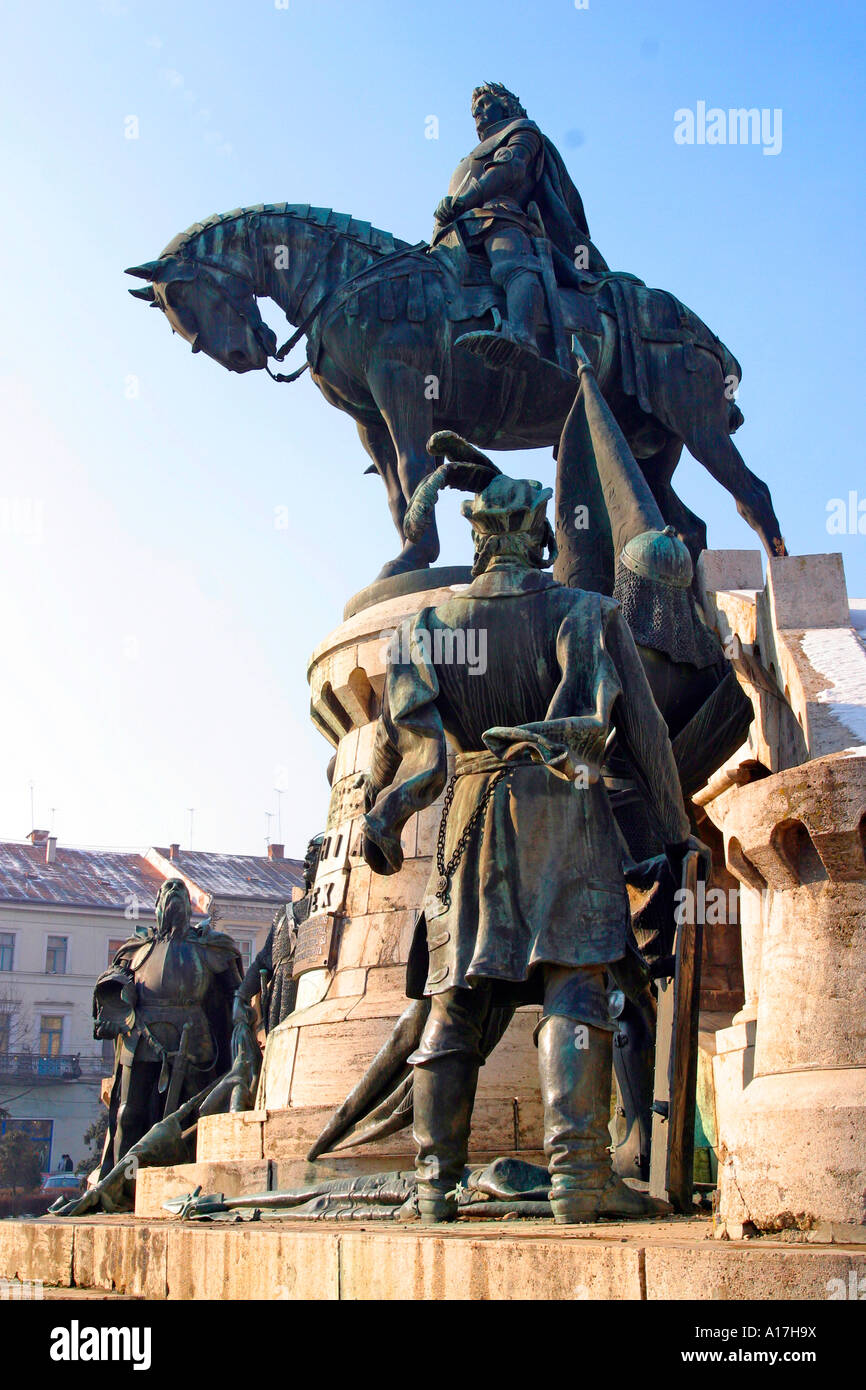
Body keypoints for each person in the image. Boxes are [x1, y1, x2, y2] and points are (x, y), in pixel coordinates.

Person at [361, 457, 694, 1224]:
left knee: (455, 1000)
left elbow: (419, 757)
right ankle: (579, 1174)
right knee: (574, 982)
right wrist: (677, 834)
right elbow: (643, 732)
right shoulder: (586, 611)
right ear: (539, 535)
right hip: (565, 809)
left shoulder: (425, 630)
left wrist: (385, 814)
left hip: (469, 819)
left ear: (478, 540)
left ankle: (433, 1185)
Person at [432, 81, 607, 365]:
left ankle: (522, 339)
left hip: (501, 217)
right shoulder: (471, 153)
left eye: (485, 104)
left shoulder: (522, 130)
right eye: (474, 110)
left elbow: (511, 168)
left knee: (512, 265)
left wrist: (466, 199)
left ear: (506, 105)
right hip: (458, 230)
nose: (478, 112)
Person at [93, 878, 241, 1175]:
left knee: (201, 1110)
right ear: (157, 905)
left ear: (189, 906)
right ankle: (124, 1182)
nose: (173, 892)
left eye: (180, 890)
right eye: (167, 890)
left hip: (193, 1035)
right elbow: (110, 990)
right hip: (142, 1037)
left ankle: (200, 1175)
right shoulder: (136, 948)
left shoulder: (212, 946)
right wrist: (113, 1001)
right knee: (129, 1113)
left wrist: (243, 1018)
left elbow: (237, 993)